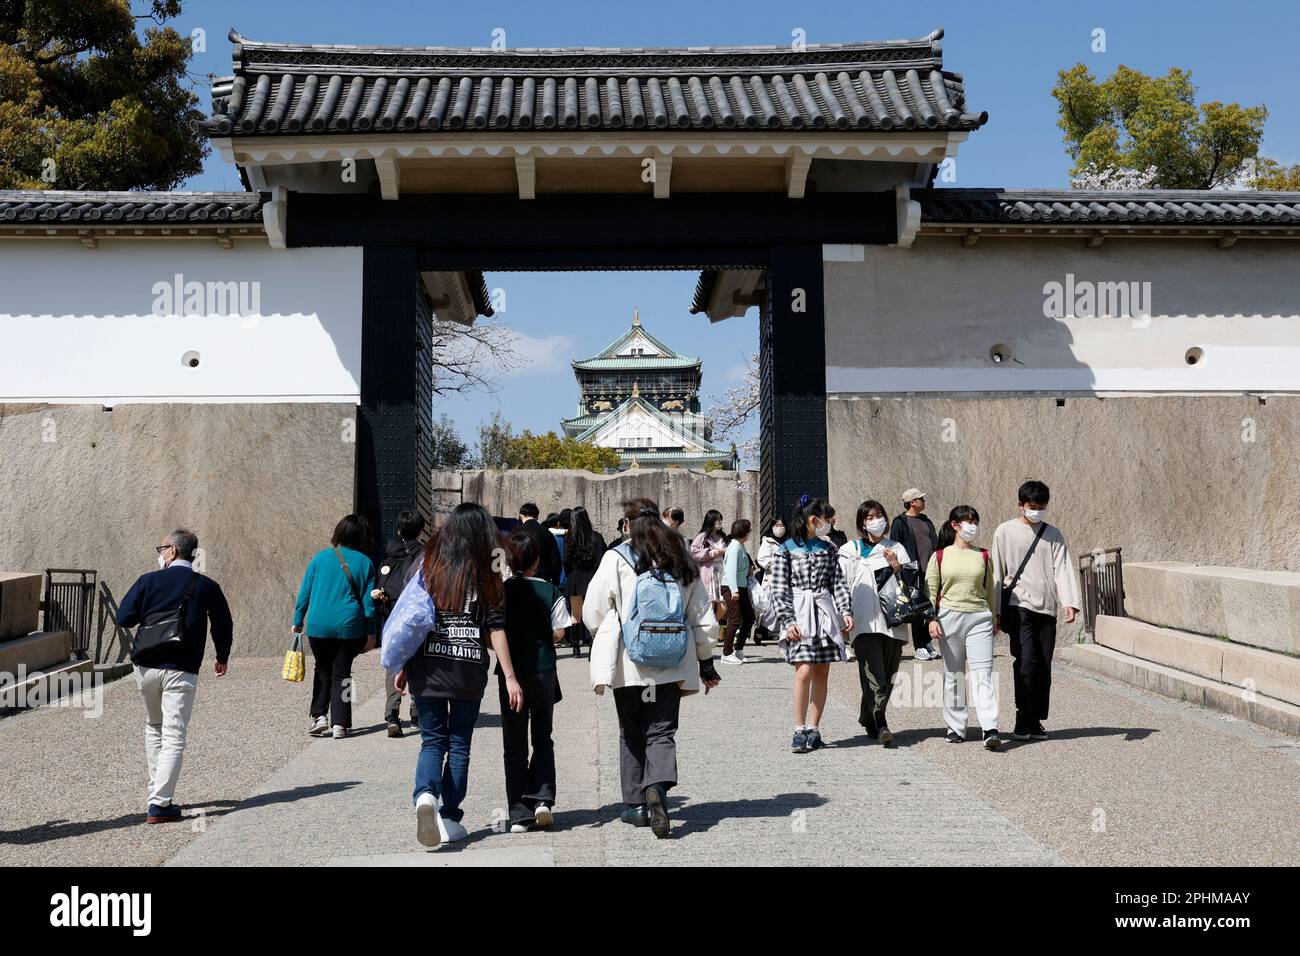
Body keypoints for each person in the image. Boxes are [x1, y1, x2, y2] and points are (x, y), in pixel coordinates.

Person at [381, 503, 524, 847]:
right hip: (468, 671)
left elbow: (414, 621)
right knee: (459, 744)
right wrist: (510, 677)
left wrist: (404, 665)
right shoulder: (489, 573)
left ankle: (425, 798)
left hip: (429, 669)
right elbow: (496, 629)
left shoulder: (429, 567)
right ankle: (449, 816)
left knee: (432, 741)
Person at [584, 497, 720, 839]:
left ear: (628, 525)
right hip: (671, 662)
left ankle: (635, 806)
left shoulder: (615, 558)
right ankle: (657, 787)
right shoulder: (680, 558)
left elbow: (593, 611)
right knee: (660, 731)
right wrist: (706, 661)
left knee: (631, 732)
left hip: (629, 664)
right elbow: (702, 616)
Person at [117, 528, 233, 824]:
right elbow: (222, 623)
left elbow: (124, 618)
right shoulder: (206, 585)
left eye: (161, 548)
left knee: (154, 727)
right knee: (174, 733)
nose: (159, 553)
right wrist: (222, 656)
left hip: (145, 667)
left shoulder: (148, 581)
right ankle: (159, 803)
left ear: (171, 551)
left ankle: (158, 794)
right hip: (181, 666)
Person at [992, 480, 1081, 742]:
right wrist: (996, 611)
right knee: (1026, 662)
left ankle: (1036, 719)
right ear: (1021, 505)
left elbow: (1062, 566)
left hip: (1047, 607)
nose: (1038, 512)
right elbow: (997, 571)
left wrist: (1069, 601)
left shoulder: (1053, 533)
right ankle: (1022, 716)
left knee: (1043, 665)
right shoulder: (1004, 531)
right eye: (1033, 507)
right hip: (1018, 606)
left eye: (1042, 507)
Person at [499, 527, 572, 832]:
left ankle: (518, 812)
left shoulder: (500, 591)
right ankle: (542, 798)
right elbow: (560, 632)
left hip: (511, 674)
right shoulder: (549, 590)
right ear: (536, 561)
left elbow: (493, 634)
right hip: (544, 670)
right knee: (543, 737)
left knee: (514, 744)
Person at [769, 496, 853, 754]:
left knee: (822, 673)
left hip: (824, 612)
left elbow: (836, 582)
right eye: (822, 517)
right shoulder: (786, 549)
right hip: (800, 613)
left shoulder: (828, 549)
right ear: (811, 519)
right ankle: (798, 727)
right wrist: (787, 620)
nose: (826, 522)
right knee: (803, 671)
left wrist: (845, 610)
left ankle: (814, 729)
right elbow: (779, 588)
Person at [293, 515, 378, 740]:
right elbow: (368, 603)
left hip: (318, 625)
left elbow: (305, 593)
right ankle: (341, 723)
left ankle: (319, 716)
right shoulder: (365, 562)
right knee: (343, 673)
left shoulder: (320, 558)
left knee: (322, 670)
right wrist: (371, 631)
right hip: (350, 627)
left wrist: (297, 620)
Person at [925, 506, 1002, 749]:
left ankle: (989, 727)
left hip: (979, 617)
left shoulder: (983, 555)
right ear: (955, 525)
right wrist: (931, 619)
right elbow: (930, 590)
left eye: (975, 521)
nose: (972, 526)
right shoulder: (940, 556)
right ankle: (956, 727)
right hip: (949, 618)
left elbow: (989, 589)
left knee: (983, 675)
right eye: (968, 521)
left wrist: (994, 617)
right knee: (954, 674)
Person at [838, 501, 912, 746]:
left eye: (880, 515)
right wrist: (843, 617)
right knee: (873, 673)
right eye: (870, 517)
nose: (876, 520)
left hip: (893, 621)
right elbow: (841, 586)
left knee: (888, 673)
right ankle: (881, 723)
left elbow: (911, 582)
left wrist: (896, 566)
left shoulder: (896, 548)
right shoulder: (850, 550)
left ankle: (868, 716)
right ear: (862, 522)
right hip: (863, 622)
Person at [376, 509, 426, 737]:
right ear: (421, 530)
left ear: (398, 529)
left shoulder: (389, 555)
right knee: (418, 662)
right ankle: (417, 713)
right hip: (416, 616)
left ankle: (392, 714)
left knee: (393, 663)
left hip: (392, 615)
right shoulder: (425, 555)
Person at [890, 488, 941, 661]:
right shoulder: (900, 522)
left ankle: (928, 643)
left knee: (931, 606)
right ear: (912, 502)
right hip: (912, 572)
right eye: (920, 499)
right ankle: (919, 645)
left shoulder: (926, 520)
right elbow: (894, 546)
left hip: (931, 570)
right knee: (918, 608)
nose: (923, 501)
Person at [562, 505, 605, 656]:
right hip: (593, 577)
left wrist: (571, 575)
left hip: (574, 577)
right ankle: (593, 643)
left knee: (575, 614)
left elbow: (566, 561)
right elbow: (601, 560)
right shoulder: (597, 537)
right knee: (594, 612)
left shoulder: (569, 538)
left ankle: (575, 648)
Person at [719, 518, 755, 664]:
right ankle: (726, 653)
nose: (750, 532)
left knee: (749, 617)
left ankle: (738, 649)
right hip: (731, 587)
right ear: (743, 532)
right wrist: (734, 591)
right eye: (749, 530)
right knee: (735, 619)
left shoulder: (740, 546)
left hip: (741, 586)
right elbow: (730, 571)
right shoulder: (734, 547)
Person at [690, 509, 728, 622]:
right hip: (708, 574)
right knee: (708, 605)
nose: (719, 522)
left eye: (720, 519)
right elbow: (693, 552)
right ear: (710, 520)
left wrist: (725, 551)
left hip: (721, 573)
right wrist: (710, 553)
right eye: (717, 519)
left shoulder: (723, 537)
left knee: (723, 606)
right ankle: (708, 630)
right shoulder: (702, 537)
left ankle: (713, 625)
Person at [517, 502, 562, 586]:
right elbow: (555, 561)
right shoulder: (547, 532)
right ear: (537, 517)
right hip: (543, 579)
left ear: (521, 516)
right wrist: (555, 582)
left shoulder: (516, 532)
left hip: (521, 579)